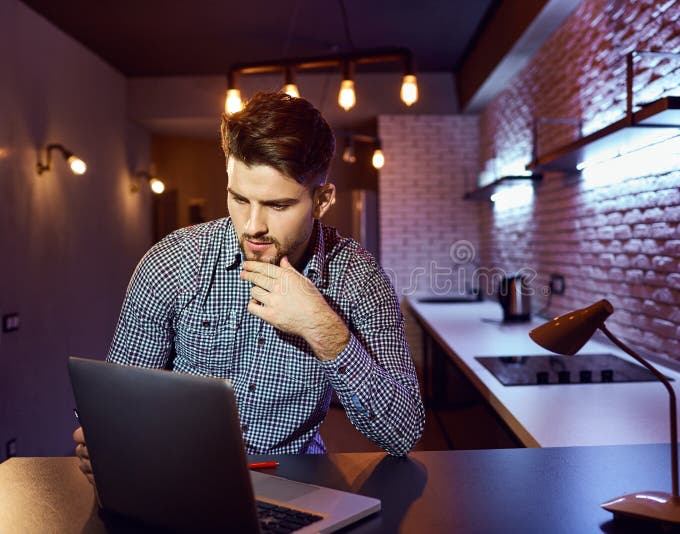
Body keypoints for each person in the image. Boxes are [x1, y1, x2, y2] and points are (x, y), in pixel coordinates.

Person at [73, 91, 424, 484]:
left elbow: (403, 434)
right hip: (181, 479)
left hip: (299, 481)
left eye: (277, 205)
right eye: (239, 199)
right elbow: (121, 398)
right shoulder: (172, 262)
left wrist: (322, 327)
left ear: (322, 200)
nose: (252, 225)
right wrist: (106, 438)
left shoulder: (359, 279)